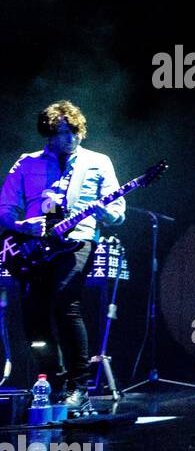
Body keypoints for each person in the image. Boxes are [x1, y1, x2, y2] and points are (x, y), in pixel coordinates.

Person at [0, 101, 125, 414]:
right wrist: (20, 225)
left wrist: (103, 209)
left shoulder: (99, 162)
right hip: (32, 247)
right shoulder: (27, 163)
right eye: (61, 132)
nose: (69, 138)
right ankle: (57, 384)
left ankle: (80, 386)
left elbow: (118, 213)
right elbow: (5, 208)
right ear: (49, 135)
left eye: (74, 131)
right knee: (34, 318)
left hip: (77, 242)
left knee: (65, 301)